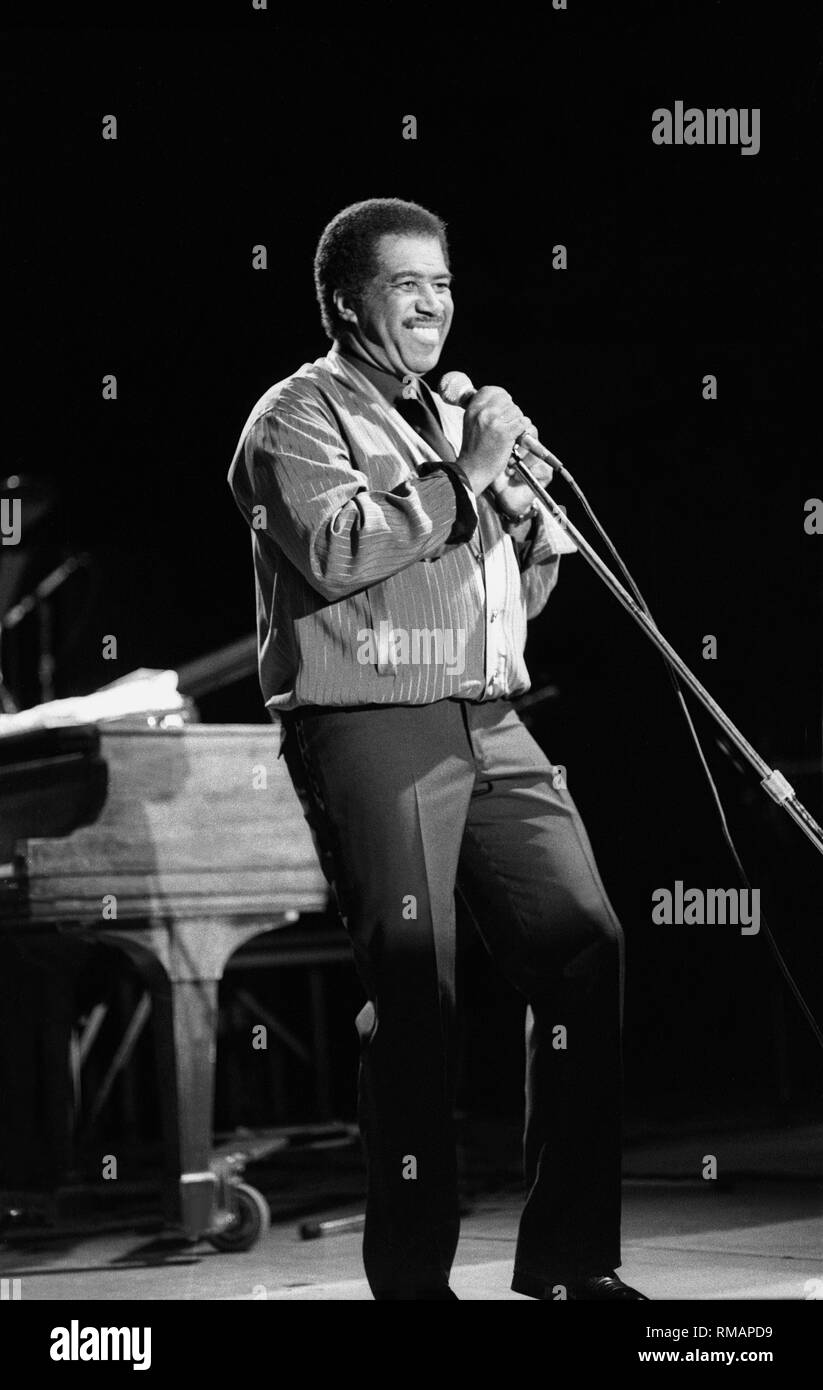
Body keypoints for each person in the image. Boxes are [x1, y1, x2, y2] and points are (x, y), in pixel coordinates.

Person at [227, 197, 648, 1301]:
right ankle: (413, 1283)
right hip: (371, 721)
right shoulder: (296, 416)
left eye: (445, 283)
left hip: (489, 714)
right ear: (343, 300)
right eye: (406, 282)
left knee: (584, 945)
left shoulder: (445, 419)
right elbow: (335, 546)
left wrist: (518, 515)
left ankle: (566, 1262)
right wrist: (464, 471)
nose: (432, 302)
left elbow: (510, 596)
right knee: (416, 994)